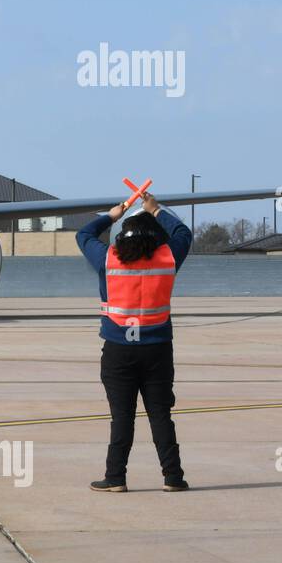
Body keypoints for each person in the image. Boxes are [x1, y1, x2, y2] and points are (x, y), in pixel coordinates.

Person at [76, 192, 192, 493]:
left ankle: (115, 477)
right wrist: (156, 210)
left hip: (118, 351)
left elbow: (83, 233)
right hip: (157, 350)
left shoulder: (108, 260)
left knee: (122, 417)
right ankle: (173, 477)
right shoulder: (167, 259)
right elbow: (183, 232)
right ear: (157, 237)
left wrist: (113, 215)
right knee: (161, 415)